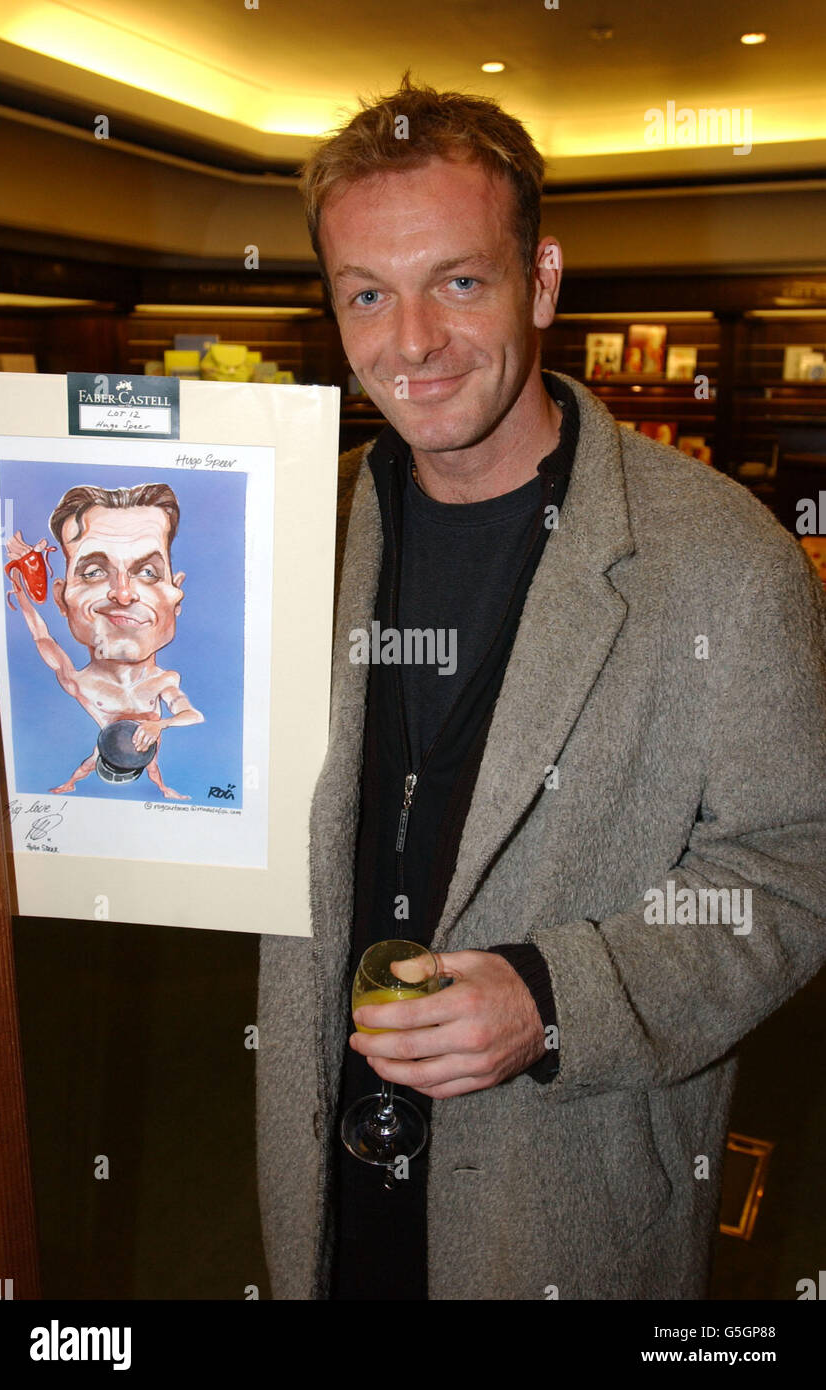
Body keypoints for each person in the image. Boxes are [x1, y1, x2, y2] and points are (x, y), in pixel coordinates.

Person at [255, 74, 826, 1300]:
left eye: (459, 281)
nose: (410, 342)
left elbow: (796, 865)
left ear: (544, 279)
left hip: (559, 1201)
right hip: (322, 1186)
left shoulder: (724, 560)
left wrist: (559, 1000)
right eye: (368, 292)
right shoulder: (285, 532)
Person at [6, 482, 203, 799]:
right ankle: (154, 788)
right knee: (138, 767)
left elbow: (193, 714)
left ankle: (158, 788)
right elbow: (41, 638)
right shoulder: (84, 686)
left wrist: (158, 726)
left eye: (149, 572)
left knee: (131, 767)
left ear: (176, 597)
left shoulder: (163, 681)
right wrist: (23, 597)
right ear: (61, 599)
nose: (124, 594)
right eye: (95, 571)